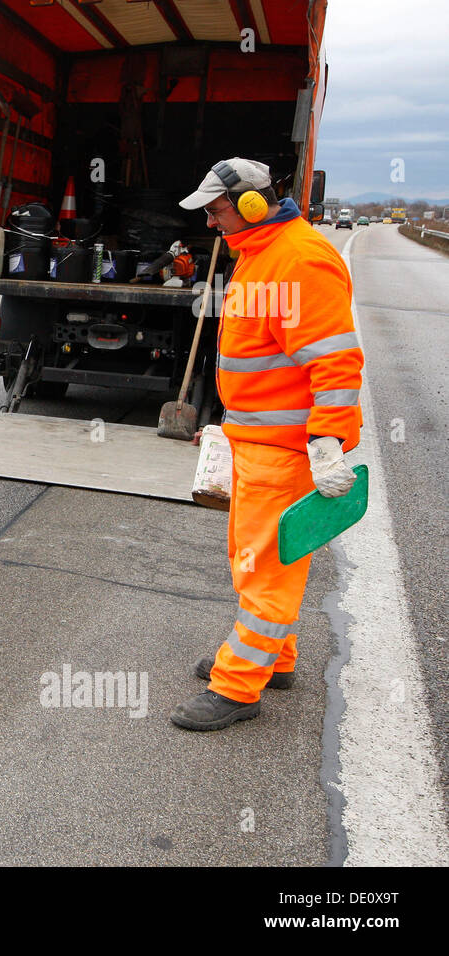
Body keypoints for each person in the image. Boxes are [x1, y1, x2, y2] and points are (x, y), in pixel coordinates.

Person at [170, 157, 364, 731]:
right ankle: (275, 660)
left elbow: (334, 360)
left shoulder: (299, 260)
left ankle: (237, 686)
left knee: (268, 572)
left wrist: (329, 440)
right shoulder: (259, 255)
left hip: (285, 452)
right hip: (256, 443)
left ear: (254, 204)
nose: (209, 223)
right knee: (256, 561)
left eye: (216, 209)